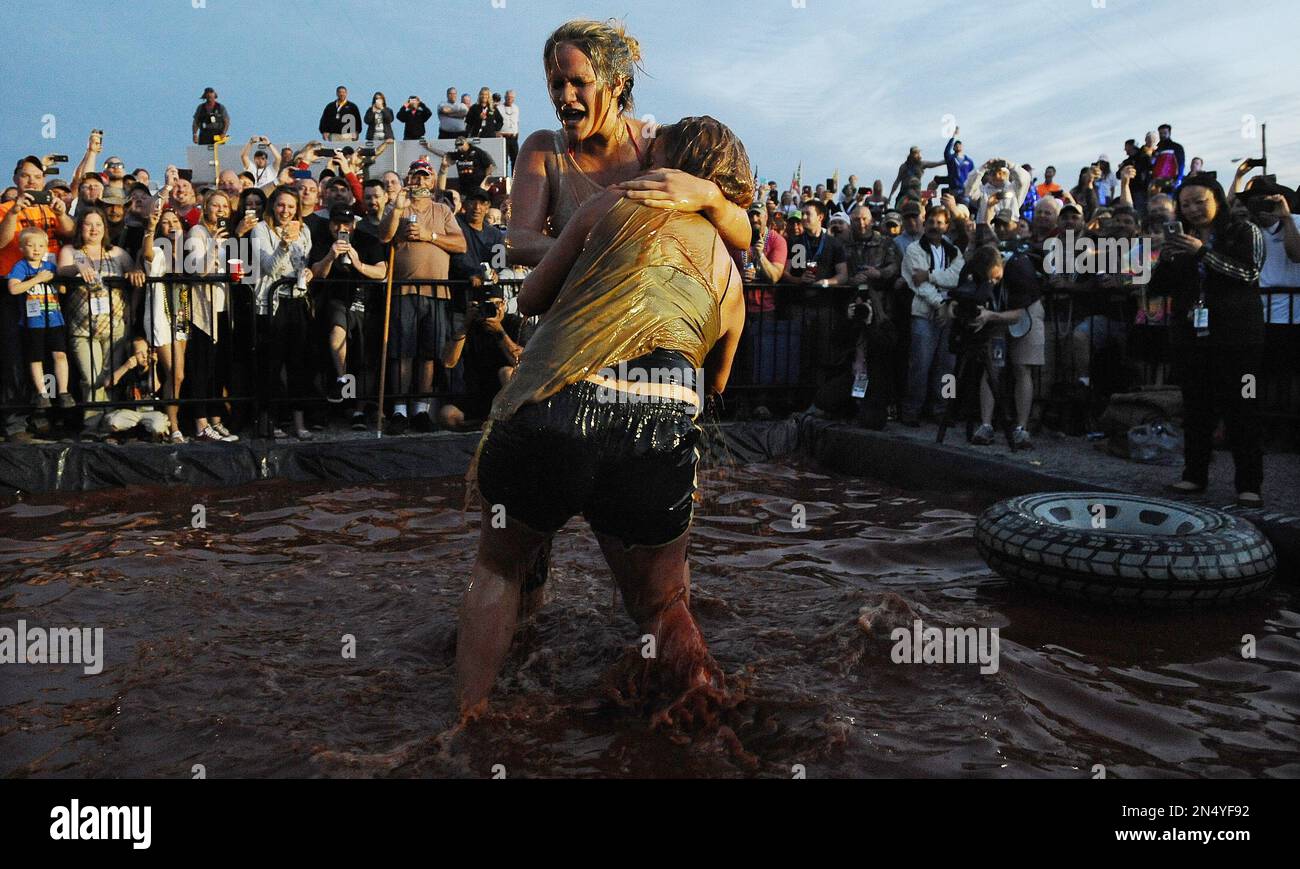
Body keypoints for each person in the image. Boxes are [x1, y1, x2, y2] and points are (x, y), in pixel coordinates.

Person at [456, 115, 749, 718]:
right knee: (662, 601)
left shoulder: (608, 209)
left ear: (666, 167)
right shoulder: (730, 273)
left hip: (558, 403)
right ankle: (705, 705)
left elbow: (532, 297)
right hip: (660, 424)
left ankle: (467, 722)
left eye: (653, 153)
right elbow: (717, 382)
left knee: (499, 567)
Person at [507, 19, 752, 268]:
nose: (565, 97)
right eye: (557, 84)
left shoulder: (658, 146)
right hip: (573, 304)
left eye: (580, 83)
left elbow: (743, 236)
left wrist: (711, 197)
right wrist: (605, 253)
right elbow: (516, 243)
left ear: (616, 84)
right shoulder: (544, 149)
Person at [1152, 175, 1265, 507]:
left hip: (1239, 338)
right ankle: (1194, 475)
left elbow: (1249, 273)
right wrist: (1169, 257)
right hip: (1192, 337)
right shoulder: (1182, 238)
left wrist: (1202, 253)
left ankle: (1249, 484)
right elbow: (1159, 288)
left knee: (1243, 408)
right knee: (1196, 408)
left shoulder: (1244, 231)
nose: (1193, 209)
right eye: (1186, 204)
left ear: (1217, 199)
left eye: (1200, 201)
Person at [378, 162, 467, 433]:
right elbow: (384, 236)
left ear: (431, 181)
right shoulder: (398, 208)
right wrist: (397, 207)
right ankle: (399, 410)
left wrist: (431, 236)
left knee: (428, 354)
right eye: (415, 175)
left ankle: (420, 409)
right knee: (402, 352)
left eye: (424, 176)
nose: (419, 181)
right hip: (404, 290)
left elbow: (460, 244)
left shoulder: (442, 210)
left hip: (436, 291)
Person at [56, 207, 144, 435]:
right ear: (80, 228)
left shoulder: (116, 253)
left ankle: (109, 423)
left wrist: (131, 309)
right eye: (88, 224)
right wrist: (79, 267)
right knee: (90, 376)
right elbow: (62, 271)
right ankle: (92, 424)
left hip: (115, 325)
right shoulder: (71, 251)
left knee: (109, 376)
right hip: (82, 326)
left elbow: (136, 275)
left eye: (98, 224)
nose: (94, 229)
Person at [956, 242, 1040, 447]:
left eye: (995, 277)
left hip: (1026, 312)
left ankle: (1021, 428)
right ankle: (986, 425)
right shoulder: (970, 269)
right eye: (988, 280)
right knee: (992, 368)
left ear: (1001, 264)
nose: (992, 282)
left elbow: (1018, 315)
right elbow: (960, 299)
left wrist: (990, 316)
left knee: (1022, 367)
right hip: (992, 315)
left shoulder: (1019, 267)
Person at [251, 186, 316, 439]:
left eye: (290, 206)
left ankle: (299, 423)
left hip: (297, 301)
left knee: (298, 363)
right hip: (271, 304)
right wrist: (284, 244)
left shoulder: (305, 230)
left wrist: (307, 273)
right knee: (272, 365)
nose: (285, 211)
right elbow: (269, 268)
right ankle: (271, 421)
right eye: (281, 205)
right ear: (273, 206)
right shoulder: (260, 230)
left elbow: (304, 263)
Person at [309, 205, 388, 407]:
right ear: (330, 224)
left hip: (365, 302)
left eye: (346, 224)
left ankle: (356, 408)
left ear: (353, 224)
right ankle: (343, 381)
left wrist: (358, 264)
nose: (341, 228)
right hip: (335, 300)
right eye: (337, 223)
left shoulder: (367, 240)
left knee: (363, 358)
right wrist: (330, 256)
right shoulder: (322, 242)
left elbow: (382, 272)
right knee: (337, 333)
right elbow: (316, 272)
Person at [900, 206, 963, 426]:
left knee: (948, 368)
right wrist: (940, 305)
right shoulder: (914, 250)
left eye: (940, 223)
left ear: (947, 226)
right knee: (920, 365)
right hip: (924, 315)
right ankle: (912, 410)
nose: (935, 227)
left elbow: (957, 277)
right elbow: (918, 283)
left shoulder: (954, 251)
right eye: (931, 222)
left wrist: (931, 275)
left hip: (950, 316)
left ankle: (944, 410)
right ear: (925, 224)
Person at [6, 228, 72, 411]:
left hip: (54, 318)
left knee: (60, 354)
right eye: (31, 245)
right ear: (21, 247)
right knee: (36, 358)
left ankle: (63, 391)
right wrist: (37, 279)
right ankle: (42, 393)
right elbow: (13, 288)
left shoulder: (50, 266)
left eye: (41, 246)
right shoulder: (20, 267)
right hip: (33, 320)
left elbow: (63, 290)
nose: (36, 249)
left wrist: (57, 282)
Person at [1151, 123, 1186, 192]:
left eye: (1165, 133)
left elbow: (1181, 164)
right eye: (1160, 133)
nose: (1162, 135)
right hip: (1157, 182)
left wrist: (1179, 179)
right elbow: (1152, 165)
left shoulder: (1176, 147)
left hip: (1171, 181)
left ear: (1169, 133)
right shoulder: (1156, 150)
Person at [498, 90, 520, 174]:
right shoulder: (499, 108)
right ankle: (505, 177)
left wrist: (517, 132)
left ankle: (515, 178)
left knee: (515, 159)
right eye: (508, 97)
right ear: (505, 97)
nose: (510, 99)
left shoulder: (516, 108)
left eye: (511, 97)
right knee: (504, 159)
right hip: (503, 137)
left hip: (513, 137)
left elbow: (517, 122)